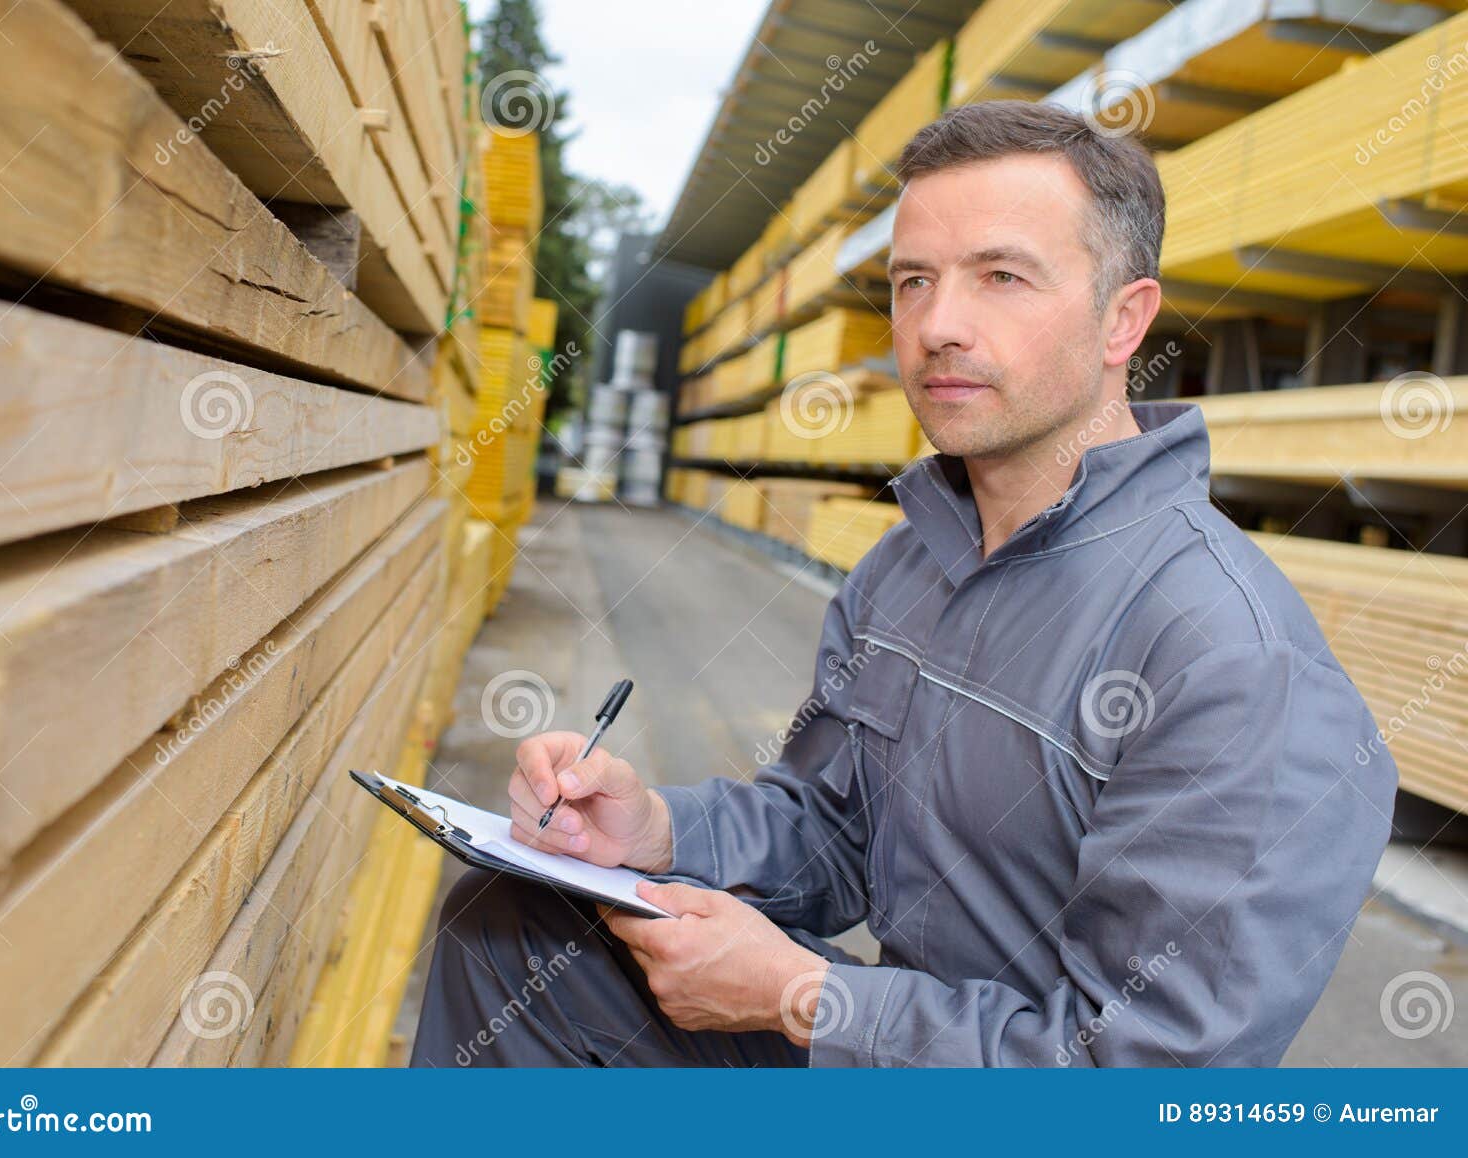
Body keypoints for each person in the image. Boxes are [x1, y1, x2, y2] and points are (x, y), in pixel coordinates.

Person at [410, 100, 1398, 1067]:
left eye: (1001, 276)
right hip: (895, 1056)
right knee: (514, 929)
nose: (936, 326)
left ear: (1122, 321)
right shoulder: (905, 569)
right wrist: (659, 828)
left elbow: (1147, 1078)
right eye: (911, 281)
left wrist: (808, 1000)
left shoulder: (1232, 660)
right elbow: (834, 833)